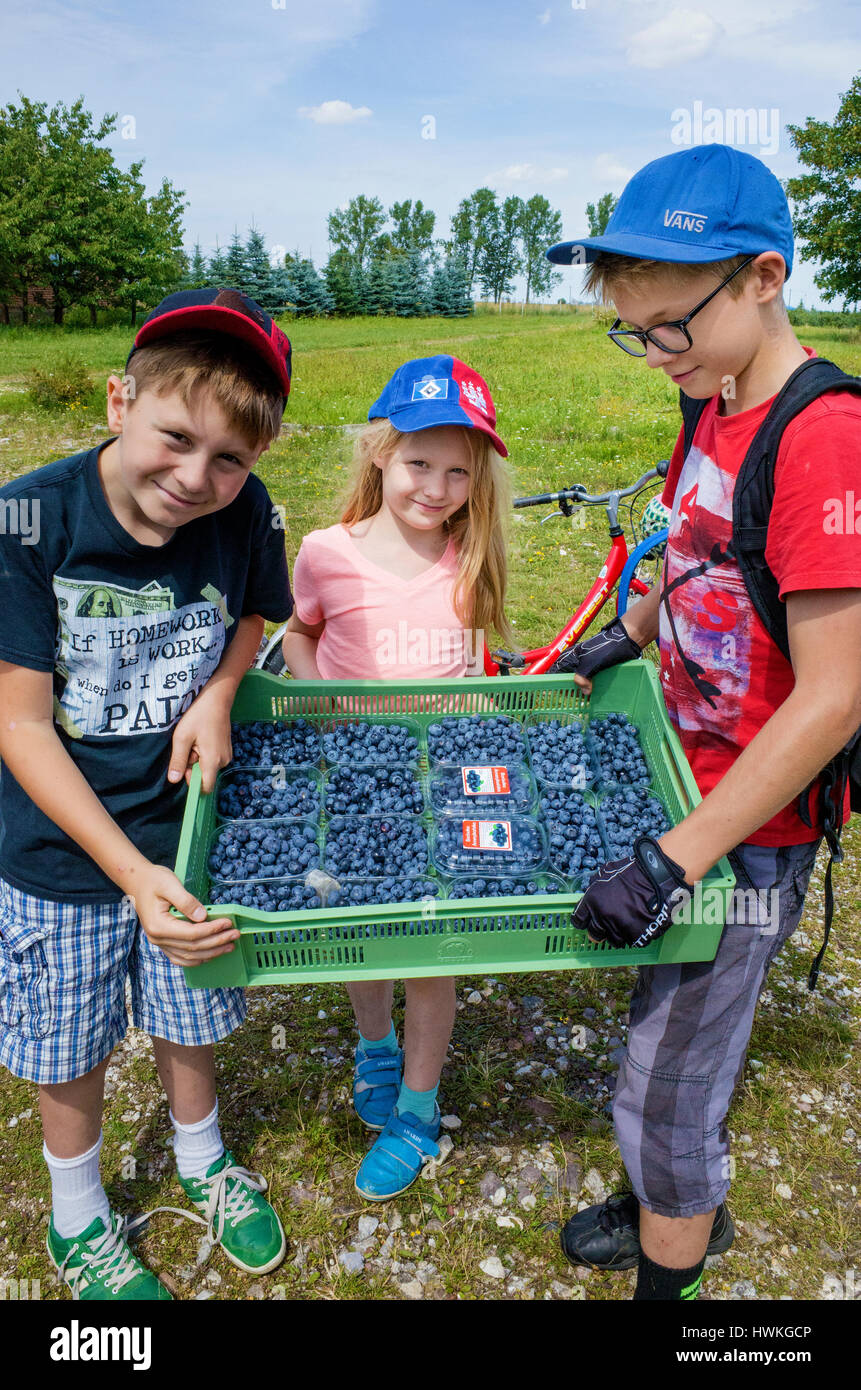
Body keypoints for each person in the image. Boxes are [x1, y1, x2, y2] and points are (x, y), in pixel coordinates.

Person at [544, 145, 861, 1300]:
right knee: (664, 1023)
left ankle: (674, 1263)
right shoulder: (712, 400)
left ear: (764, 277)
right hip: (681, 779)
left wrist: (679, 855)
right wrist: (627, 631)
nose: (655, 354)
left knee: (669, 1086)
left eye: (669, 325)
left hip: (745, 834)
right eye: (635, 331)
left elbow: (834, 694)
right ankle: (662, 1197)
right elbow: (692, 544)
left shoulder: (822, 434)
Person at [0, 288, 296, 1299]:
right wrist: (129, 876)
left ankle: (202, 1154)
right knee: (67, 1033)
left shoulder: (247, 512)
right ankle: (78, 1214)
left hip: (189, 827)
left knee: (192, 1004)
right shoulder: (29, 520)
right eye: (176, 437)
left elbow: (256, 611)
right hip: (60, 847)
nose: (196, 477)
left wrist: (220, 692)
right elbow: (21, 725)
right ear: (120, 400)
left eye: (229, 459)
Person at [282, 354, 513, 1199]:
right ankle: (373, 1043)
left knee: (431, 943)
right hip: (357, 773)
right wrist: (322, 697)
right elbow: (301, 637)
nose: (437, 486)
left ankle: (418, 1108)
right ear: (381, 451)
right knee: (364, 919)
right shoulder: (323, 553)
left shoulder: (471, 553)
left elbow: (477, 662)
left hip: (446, 778)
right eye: (420, 462)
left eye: (459, 471)